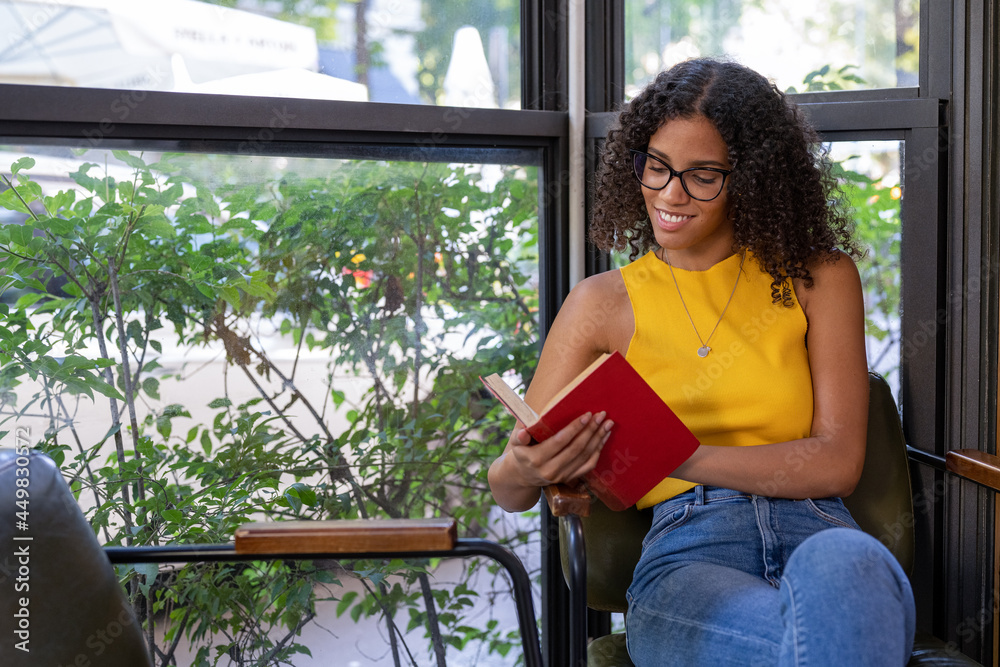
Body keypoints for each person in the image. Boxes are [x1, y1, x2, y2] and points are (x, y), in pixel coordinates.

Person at [487, 57, 915, 666]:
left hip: (822, 534)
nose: (669, 195)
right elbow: (508, 491)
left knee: (846, 577)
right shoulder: (600, 304)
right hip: (689, 552)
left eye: (701, 176)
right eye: (656, 167)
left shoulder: (820, 276)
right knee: (834, 641)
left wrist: (678, 455)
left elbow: (838, 463)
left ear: (752, 179)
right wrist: (526, 465)